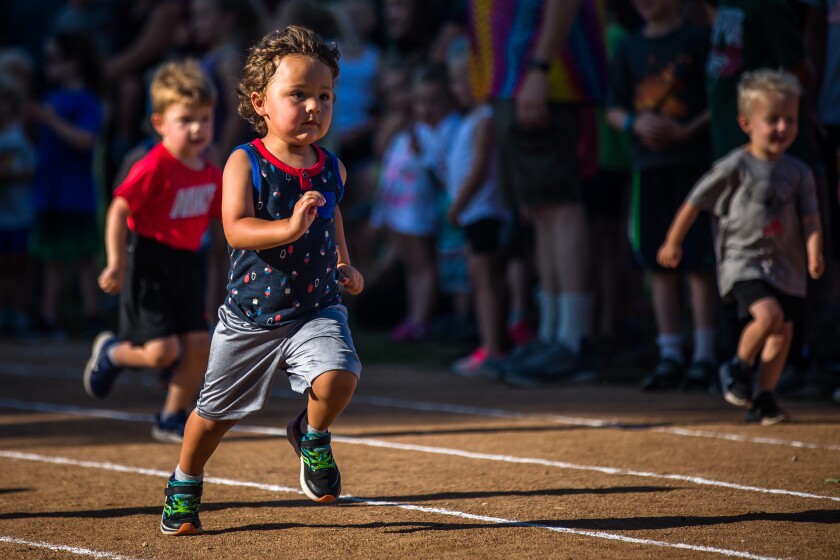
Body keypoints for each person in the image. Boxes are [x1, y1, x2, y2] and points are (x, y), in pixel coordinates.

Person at [158, 25, 364, 536]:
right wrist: (289, 227)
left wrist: (344, 262)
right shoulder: (244, 160)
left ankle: (311, 436)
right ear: (261, 102)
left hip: (317, 307)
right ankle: (185, 483)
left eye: (324, 96)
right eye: (298, 95)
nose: (314, 106)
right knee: (212, 417)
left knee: (340, 373)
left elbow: (331, 214)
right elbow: (236, 227)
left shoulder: (332, 168)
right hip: (251, 318)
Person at [657, 69, 824, 424]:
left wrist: (814, 252)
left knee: (784, 331)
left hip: (787, 265)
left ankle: (764, 396)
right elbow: (695, 201)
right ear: (746, 123)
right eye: (773, 119)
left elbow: (810, 218)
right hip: (743, 260)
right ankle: (738, 368)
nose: (783, 127)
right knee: (769, 317)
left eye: (790, 119)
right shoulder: (736, 165)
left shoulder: (799, 172)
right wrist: (673, 241)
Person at [466, 0, 606, 383]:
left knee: (560, 208)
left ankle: (573, 340)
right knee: (541, 211)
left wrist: (539, 67)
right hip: (515, 82)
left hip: (545, 80)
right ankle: (553, 334)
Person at [82, 59, 222, 443]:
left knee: (198, 346)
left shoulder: (210, 171)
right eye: (186, 119)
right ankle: (112, 352)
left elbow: (227, 216)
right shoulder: (155, 165)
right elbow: (119, 208)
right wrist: (116, 262)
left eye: (206, 119)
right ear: (159, 123)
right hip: (150, 265)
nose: (198, 129)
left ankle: (171, 415)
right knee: (162, 352)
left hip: (189, 266)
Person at [606, 0, 719, 391]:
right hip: (648, 168)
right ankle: (670, 352)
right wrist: (636, 124)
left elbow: (719, 95)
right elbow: (613, 109)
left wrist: (687, 131)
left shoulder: (698, 39)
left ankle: (705, 354)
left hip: (693, 164)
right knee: (659, 261)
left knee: (700, 260)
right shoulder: (628, 47)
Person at [370, 62, 461, 342]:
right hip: (397, 209)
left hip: (419, 210)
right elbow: (383, 158)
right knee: (412, 266)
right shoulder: (398, 126)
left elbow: (436, 166)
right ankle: (415, 317)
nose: (400, 99)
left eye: (403, 91)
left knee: (423, 265)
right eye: (392, 93)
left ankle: (422, 319)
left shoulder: (429, 129)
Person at [26, 32, 105, 340]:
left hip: (75, 194)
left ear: (74, 63)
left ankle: (91, 314)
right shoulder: (50, 99)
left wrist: (50, 119)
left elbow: (86, 140)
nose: (48, 67)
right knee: (51, 257)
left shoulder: (86, 100)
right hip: (49, 191)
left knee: (84, 256)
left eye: (54, 60)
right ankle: (49, 316)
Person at [0, 72, 35, 336]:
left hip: (21, 212)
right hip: (4, 214)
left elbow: (33, 167)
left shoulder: (23, 130)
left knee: (20, 265)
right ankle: (6, 313)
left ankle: (21, 313)